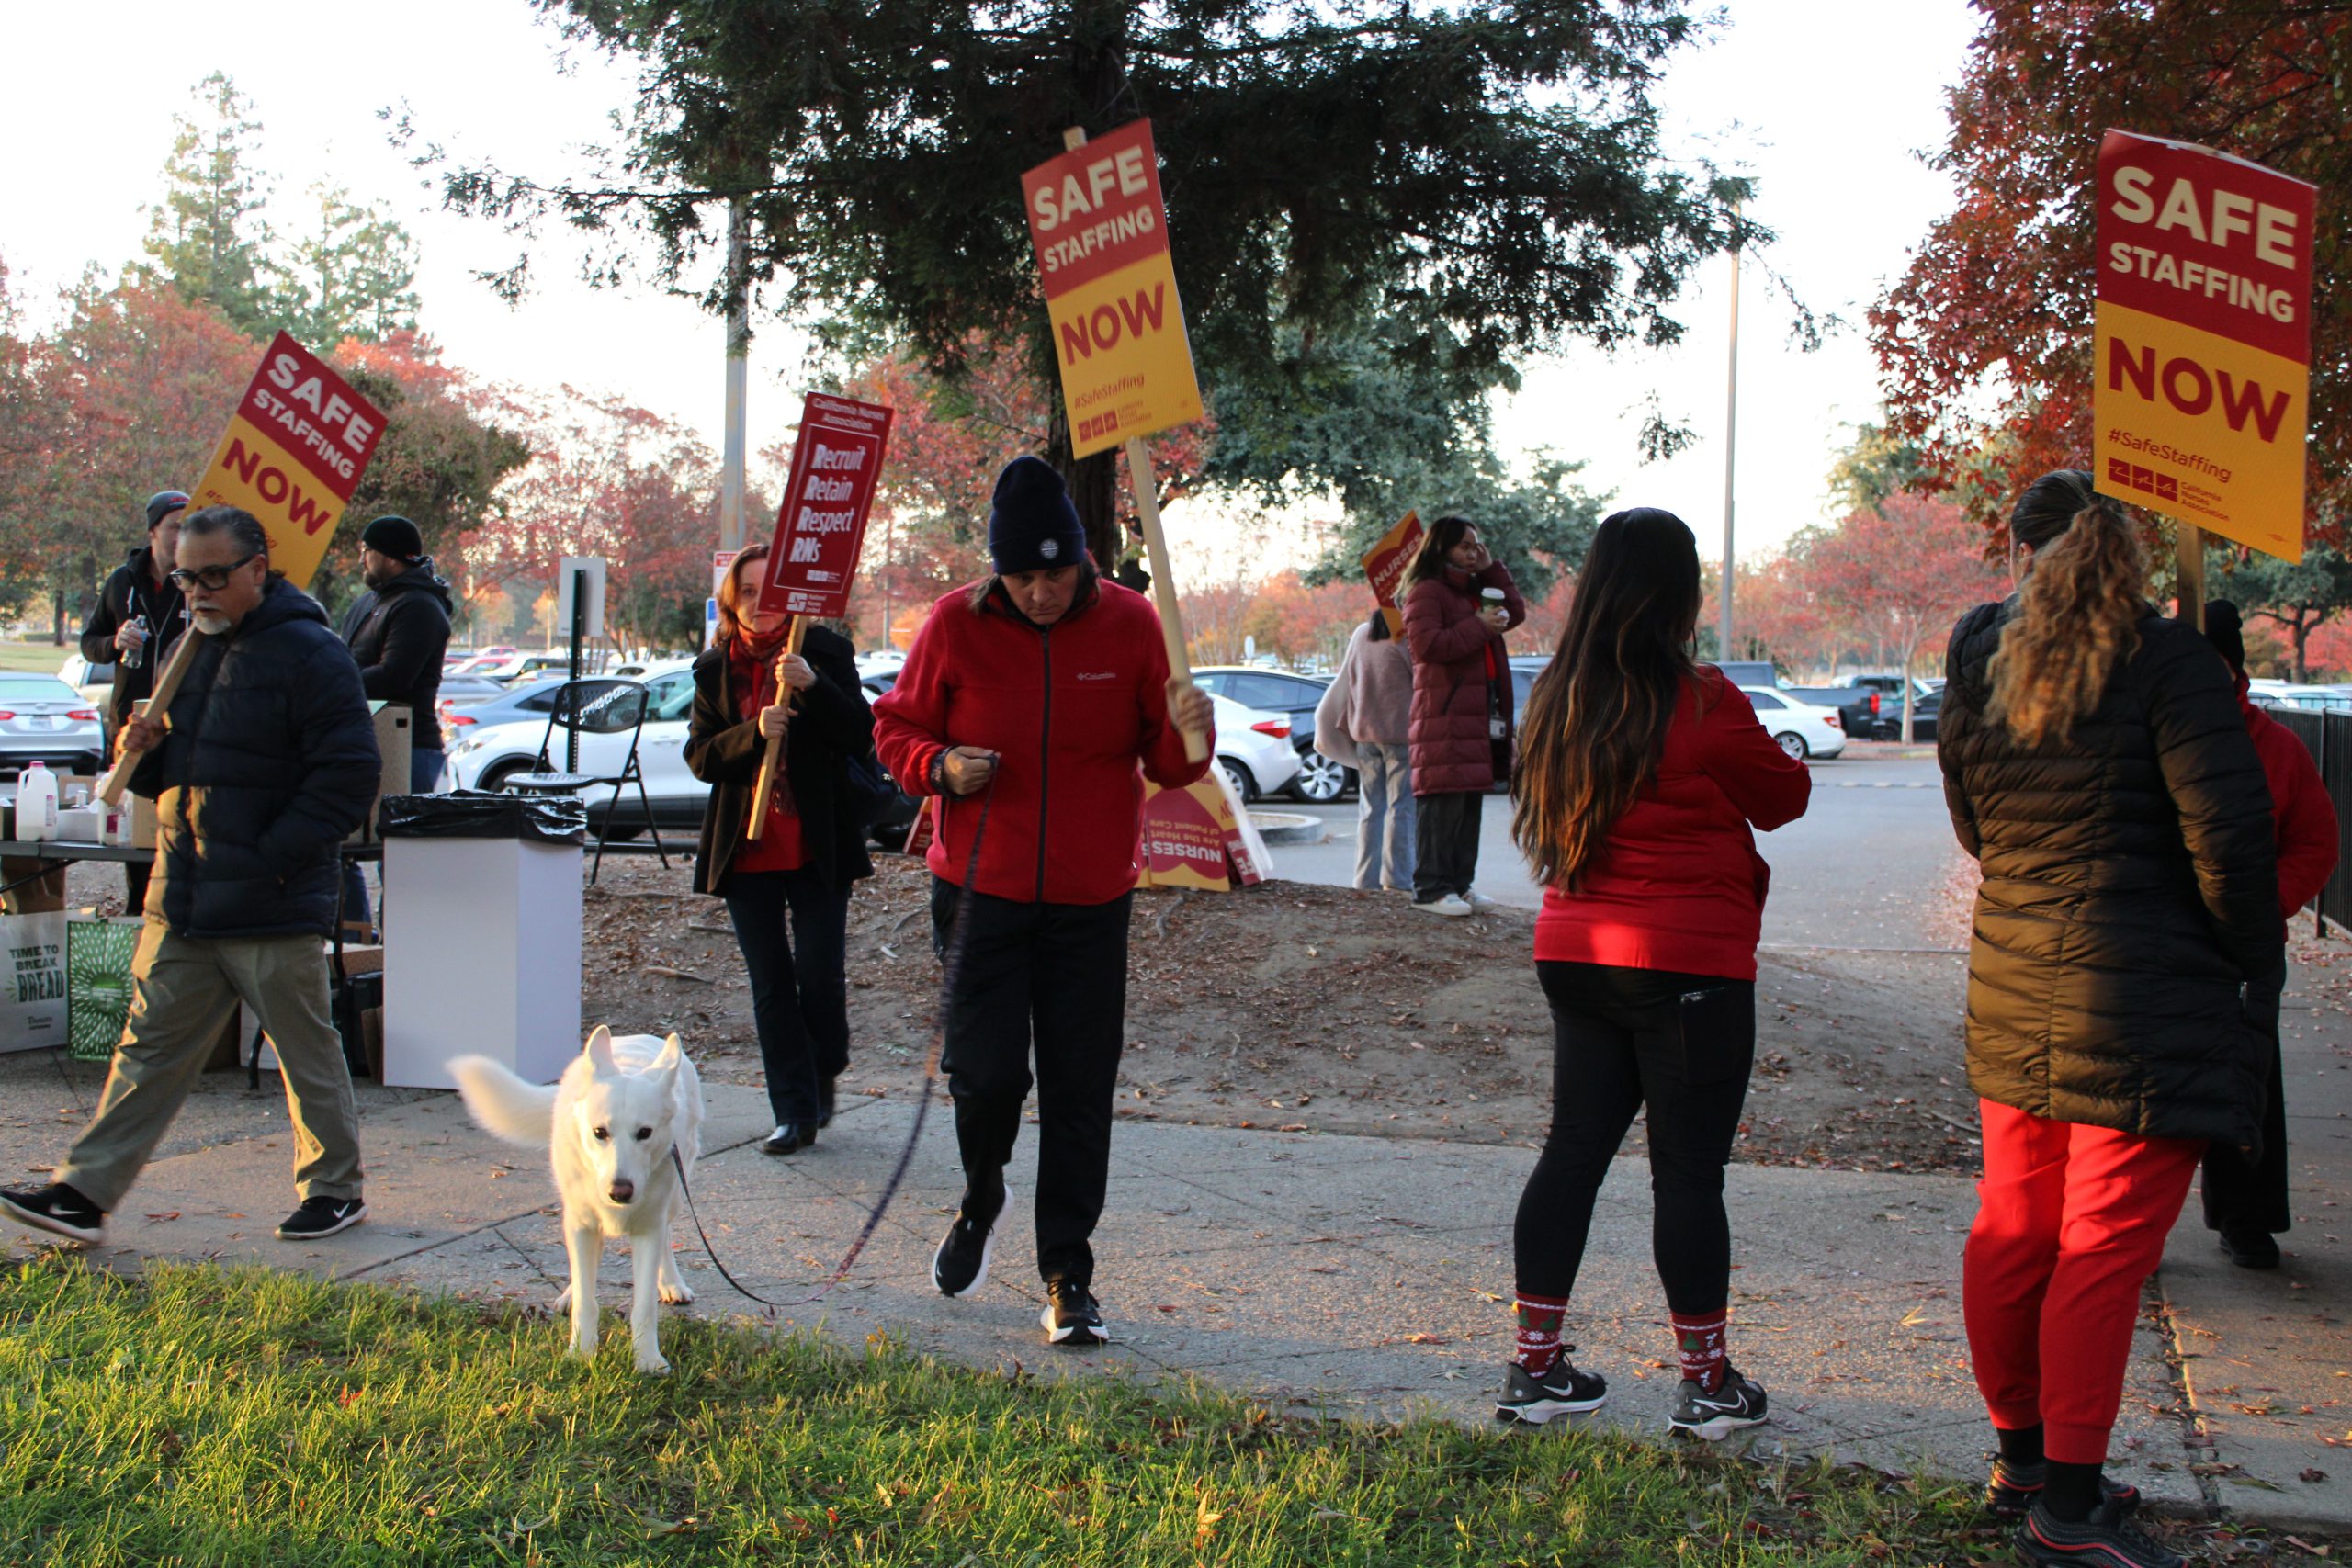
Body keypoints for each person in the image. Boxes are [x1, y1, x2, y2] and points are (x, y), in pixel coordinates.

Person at [1939, 470, 2278, 1568]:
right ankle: (2070, 1511)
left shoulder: (1979, 654)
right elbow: (2226, 839)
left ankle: (2023, 1459)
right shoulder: (2170, 660)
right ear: (2123, 553)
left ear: (2021, 551)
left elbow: (1972, 819)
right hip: (2143, 991)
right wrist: (2248, 961)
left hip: (2015, 971)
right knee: (2100, 1251)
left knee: (2016, 1228)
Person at [874, 455, 1214, 1348]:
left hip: (1089, 901)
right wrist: (937, 767)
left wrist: (1192, 726)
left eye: (1055, 574)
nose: (1040, 592)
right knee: (983, 1077)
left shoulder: (1133, 625)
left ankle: (1068, 1272)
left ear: (1084, 562)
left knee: (1076, 1090)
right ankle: (981, 1193)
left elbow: (1172, 769)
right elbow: (895, 726)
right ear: (998, 571)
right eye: (1022, 576)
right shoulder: (953, 625)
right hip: (978, 893)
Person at [1497, 507, 1808, 1436]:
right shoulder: (1704, 702)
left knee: (1570, 1155)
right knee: (1686, 1176)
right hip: (1689, 970)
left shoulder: (1555, 693)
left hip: (1575, 953)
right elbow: (1783, 799)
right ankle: (1706, 1384)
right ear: (1679, 596)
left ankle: (1535, 1367)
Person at [0, 505, 382, 1247]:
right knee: (148, 1050)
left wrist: (271, 857)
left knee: (304, 1050)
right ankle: (84, 1192)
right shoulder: (189, 644)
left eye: (214, 575)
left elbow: (348, 776)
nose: (198, 590)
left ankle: (334, 1189)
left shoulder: (311, 652)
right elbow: (186, 773)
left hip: (271, 898)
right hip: (184, 893)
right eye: (185, 576)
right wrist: (142, 751)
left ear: (258, 570)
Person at [684, 544, 876, 1156]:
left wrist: (812, 687)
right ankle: (792, 1112)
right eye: (747, 592)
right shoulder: (715, 668)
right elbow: (700, 756)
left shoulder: (823, 651)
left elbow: (859, 733)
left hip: (816, 843)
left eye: (772, 592)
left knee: (818, 976)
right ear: (730, 600)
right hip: (746, 849)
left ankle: (825, 1065)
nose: (760, 604)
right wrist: (752, 733)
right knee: (771, 985)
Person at [2197, 600, 2336, 1270]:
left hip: (2246, 942)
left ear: (2238, 673)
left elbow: (2316, 841)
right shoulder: (2144, 736)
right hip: (2157, 936)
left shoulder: (2276, 746)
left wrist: (2265, 903)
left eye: (2216, 667)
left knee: (2247, 1082)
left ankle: (2247, 1216)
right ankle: (2128, 1230)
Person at [336, 515, 455, 936]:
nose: (361, 560)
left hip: (410, 748)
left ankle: (405, 951)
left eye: (366, 551)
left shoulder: (420, 606)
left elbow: (394, 676)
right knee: (340, 846)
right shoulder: (370, 602)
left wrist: (332, 681)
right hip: (357, 740)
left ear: (387, 556)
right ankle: (353, 943)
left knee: (402, 860)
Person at [1401, 515, 1523, 915]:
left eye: (1476, 546)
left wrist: (1492, 570)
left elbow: (1515, 613)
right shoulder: (1426, 592)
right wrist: (1478, 626)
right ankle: (1431, 888)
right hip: (1445, 713)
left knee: (1470, 799)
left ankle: (1460, 884)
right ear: (1441, 548)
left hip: (1480, 710)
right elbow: (1427, 647)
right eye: (1464, 547)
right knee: (1443, 800)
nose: (1472, 554)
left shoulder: (1474, 591)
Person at [79, 488, 191, 914]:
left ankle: (173, 909)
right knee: (135, 827)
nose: (182, 537)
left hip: (180, 722)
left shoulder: (197, 580)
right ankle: (137, 911)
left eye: (188, 527)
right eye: (174, 528)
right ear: (152, 532)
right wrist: (114, 641)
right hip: (131, 723)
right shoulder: (122, 582)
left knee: (177, 822)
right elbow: (89, 643)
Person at [1312, 605, 1417, 893]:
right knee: (1402, 808)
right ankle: (1397, 879)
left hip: (1364, 734)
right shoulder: (1405, 638)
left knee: (1370, 809)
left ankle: (1364, 880)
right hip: (1399, 734)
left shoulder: (1362, 633)